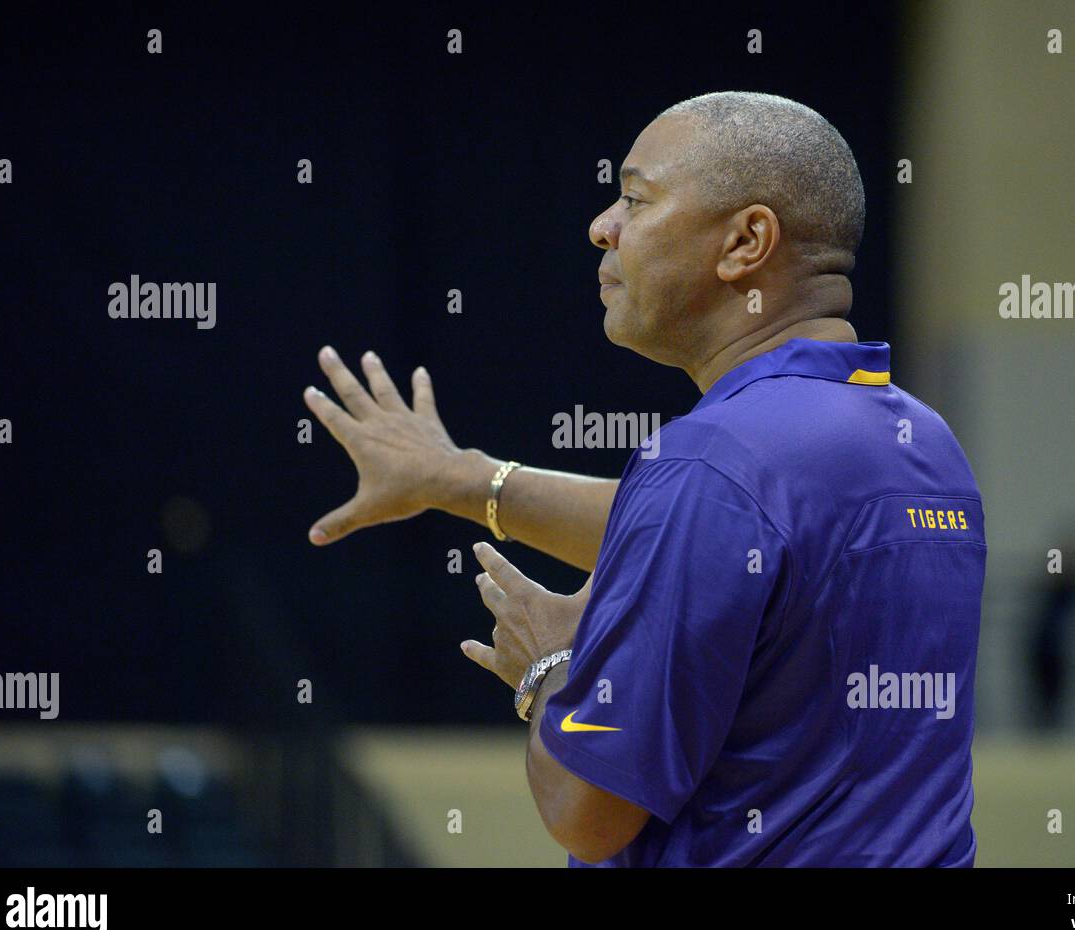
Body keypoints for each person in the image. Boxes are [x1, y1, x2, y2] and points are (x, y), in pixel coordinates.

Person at [301, 92, 986, 866]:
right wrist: (460, 478)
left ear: (746, 242)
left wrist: (550, 664)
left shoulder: (714, 463)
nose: (603, 225)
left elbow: (586, 814)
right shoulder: (922, 442)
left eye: (635, 197)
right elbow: (723, 541)